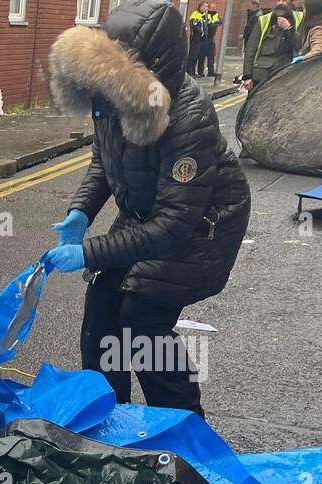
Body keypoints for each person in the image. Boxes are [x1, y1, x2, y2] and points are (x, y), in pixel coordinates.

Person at [43, 0, 250, 418]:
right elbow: (104, 159)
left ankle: (183, 426)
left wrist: (89, 252)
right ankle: (108, 416)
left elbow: (173, 225)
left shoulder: (188, 118)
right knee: (102, 305)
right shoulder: (107, 95)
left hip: (203, 227)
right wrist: (81, 210)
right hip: (147, 214)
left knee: (142, 318)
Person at [242, 0, 299, 88]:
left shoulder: (299, 18)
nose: (280, 3)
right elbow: (251, 48)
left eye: (284, 0)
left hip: (286, 74)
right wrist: (247, 76)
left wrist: (288, 28)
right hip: (261, 75)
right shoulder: (264, 19)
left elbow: (300, 45)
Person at [187, 2, 221, 77]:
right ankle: (190, 72)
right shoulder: (195, 14)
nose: (207, 8)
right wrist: (201, 33)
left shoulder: (206, 15)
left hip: (203, 39)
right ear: (201, 7)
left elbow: (211, 24)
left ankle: (194, 72)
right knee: (193, 56)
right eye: (205, 7)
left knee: (199, 56)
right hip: (196, 39)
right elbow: (195, 27)